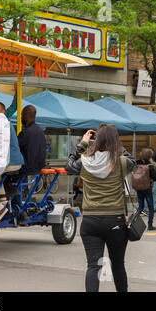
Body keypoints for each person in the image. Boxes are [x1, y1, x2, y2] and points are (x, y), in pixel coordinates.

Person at [66, 124, 136, 292]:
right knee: (118, 264)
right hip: (115, 220)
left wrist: (82, 144)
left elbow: (69, 166)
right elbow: (132, 160)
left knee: (93, 266)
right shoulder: (120, 162)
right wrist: (116, 144)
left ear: (95, 141)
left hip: (90, 221)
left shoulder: (84, 162)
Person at [0, 101, 24, 204]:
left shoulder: (3, 121)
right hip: (12, 160)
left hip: (11, 161)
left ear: (4, 112)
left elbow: (14, 105)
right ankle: (1, 199)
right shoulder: (0, 122)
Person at [133, 148, 156, 230]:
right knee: (150, 207)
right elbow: (155, 177)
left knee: (140, 206)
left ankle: (132, 222)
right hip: (147, 188)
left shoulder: (136, 164)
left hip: (138, 187)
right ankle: (150, 225)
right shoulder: (149, 166)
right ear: (150, 156)